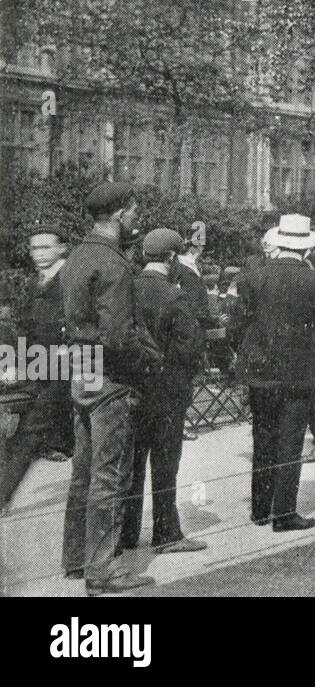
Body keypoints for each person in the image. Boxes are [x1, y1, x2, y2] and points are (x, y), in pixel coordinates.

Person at [61, 182, 162, 594]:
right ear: (121, 214)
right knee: (111, 476)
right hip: (111, 379)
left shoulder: (78, 256)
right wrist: (149, 362)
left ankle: (74, 560)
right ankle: (103, 569)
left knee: (83, 473)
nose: (137, 218)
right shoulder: (114, 263)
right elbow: (120, 336)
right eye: (134, 211)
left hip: (81, 371)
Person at [230, 214, 315, 531]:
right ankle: (283, 513)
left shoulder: (253, 278)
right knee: (290, 442)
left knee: (263, 438)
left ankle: (259, 509)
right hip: (300, 373)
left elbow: (235, 325)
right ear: (305, 249)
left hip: (261, 372)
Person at [121, 228, 207, 555]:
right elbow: (190, 347)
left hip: (132, 390)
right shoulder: (174, 295)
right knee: (165, 464)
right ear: (171, 257)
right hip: (168, 392)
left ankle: (127, 532)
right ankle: (166, 532)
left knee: (131, 464)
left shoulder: (128, 289)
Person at [0, 222, 73, 510]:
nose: (39, 253)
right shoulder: (36, 283)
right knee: (28, 432)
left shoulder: (70, 279)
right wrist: (15, 363)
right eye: (34, 248)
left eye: (46, 246)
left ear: (62, 248)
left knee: (30, 432)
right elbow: (25, 328)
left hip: (68, 369)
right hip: (40, 369)